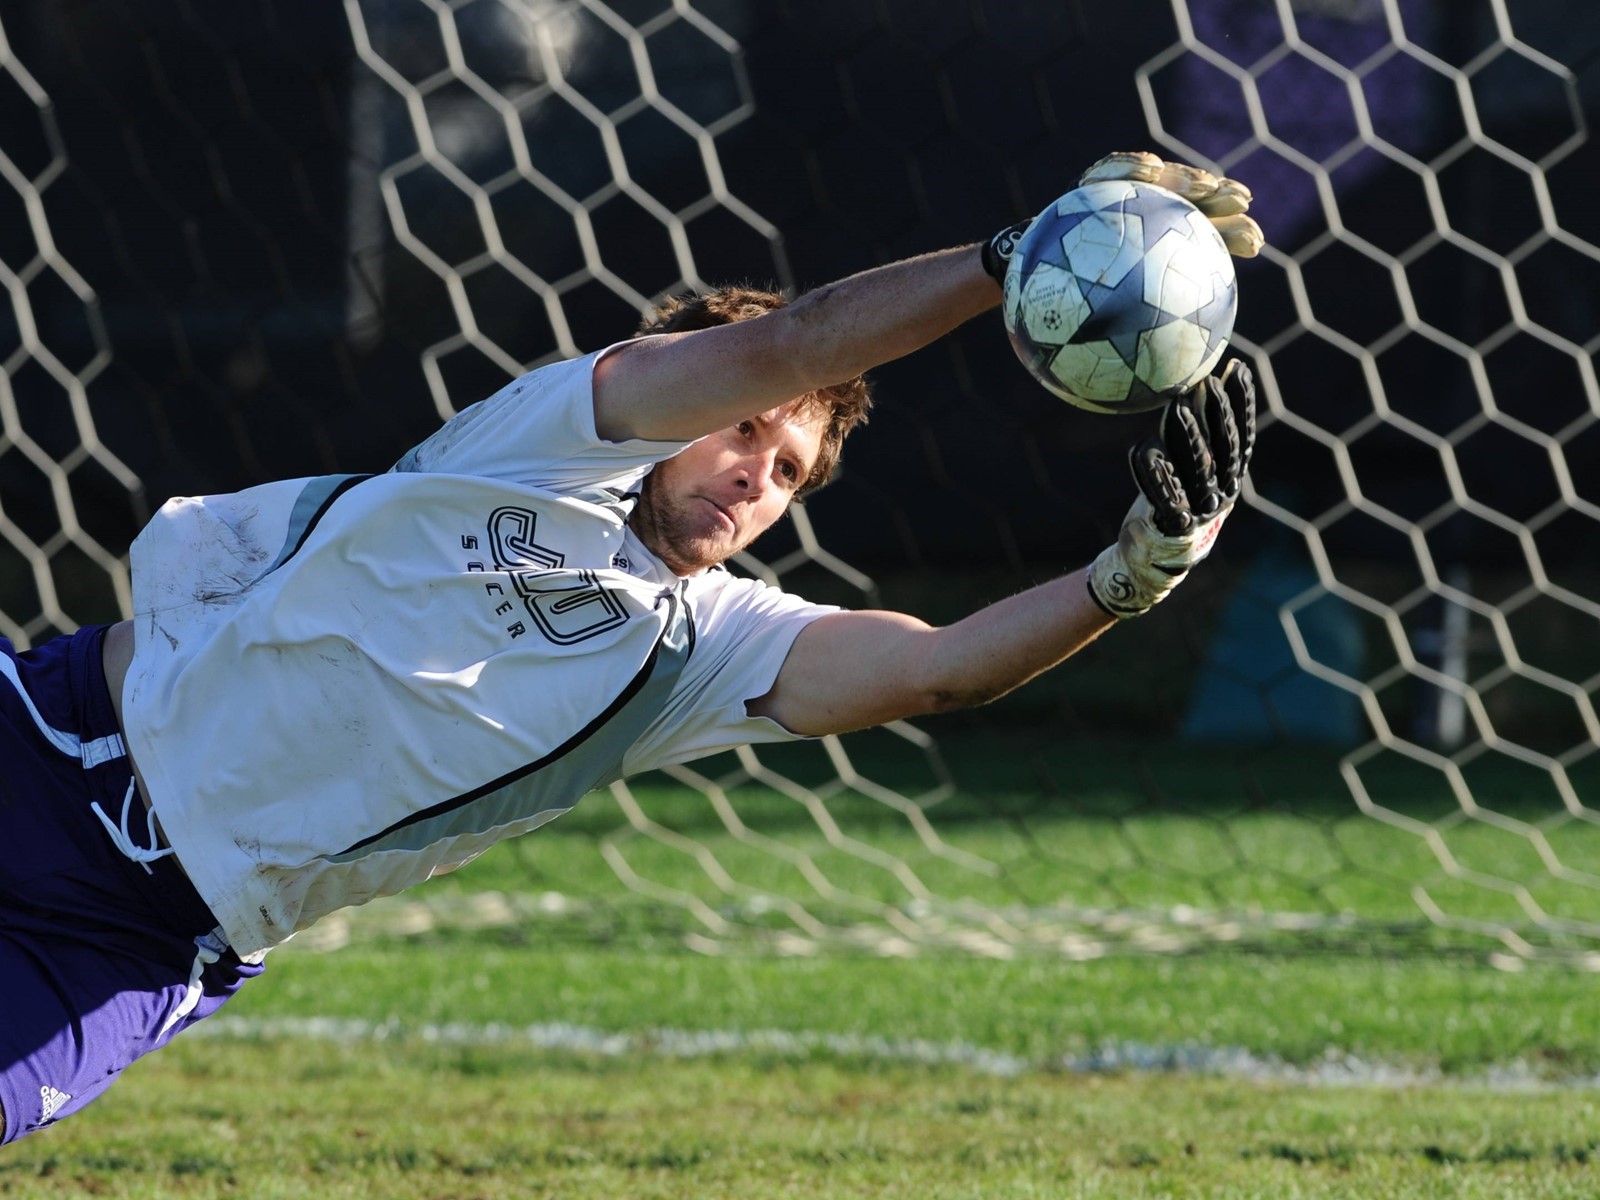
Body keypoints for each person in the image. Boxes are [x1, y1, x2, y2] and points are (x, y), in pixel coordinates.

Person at [0, 151, 1262, 1143]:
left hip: (150, 932)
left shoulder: (698, 654)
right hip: (52, 739)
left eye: (786, 472)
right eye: (740, 432)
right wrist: (1013, 256)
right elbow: (793, 342)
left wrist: (1133, 575)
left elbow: (940, 666)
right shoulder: (544, 443)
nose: (751, 474)